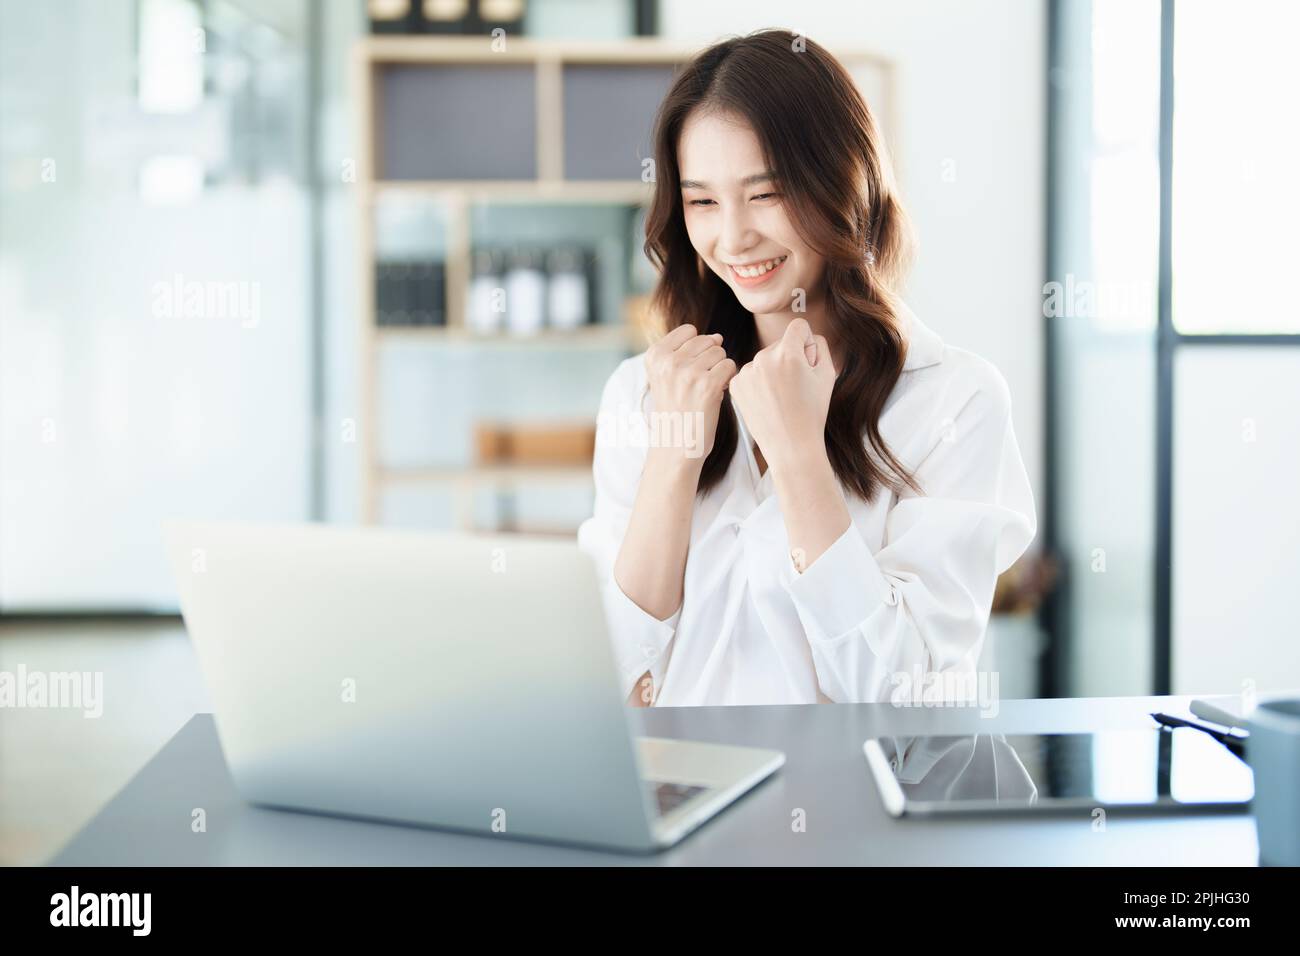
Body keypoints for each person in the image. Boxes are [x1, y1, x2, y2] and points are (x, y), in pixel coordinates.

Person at [577, 29, 1036, 707]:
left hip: (866, 806)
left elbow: (897, 690)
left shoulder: (954, 399)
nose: (732, 237)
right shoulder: (643, 393)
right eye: (703, 201)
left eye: (765, 194)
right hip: (682, 799)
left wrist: (798, 460)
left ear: (842, 181)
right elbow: (610, 680)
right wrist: (673, 462)